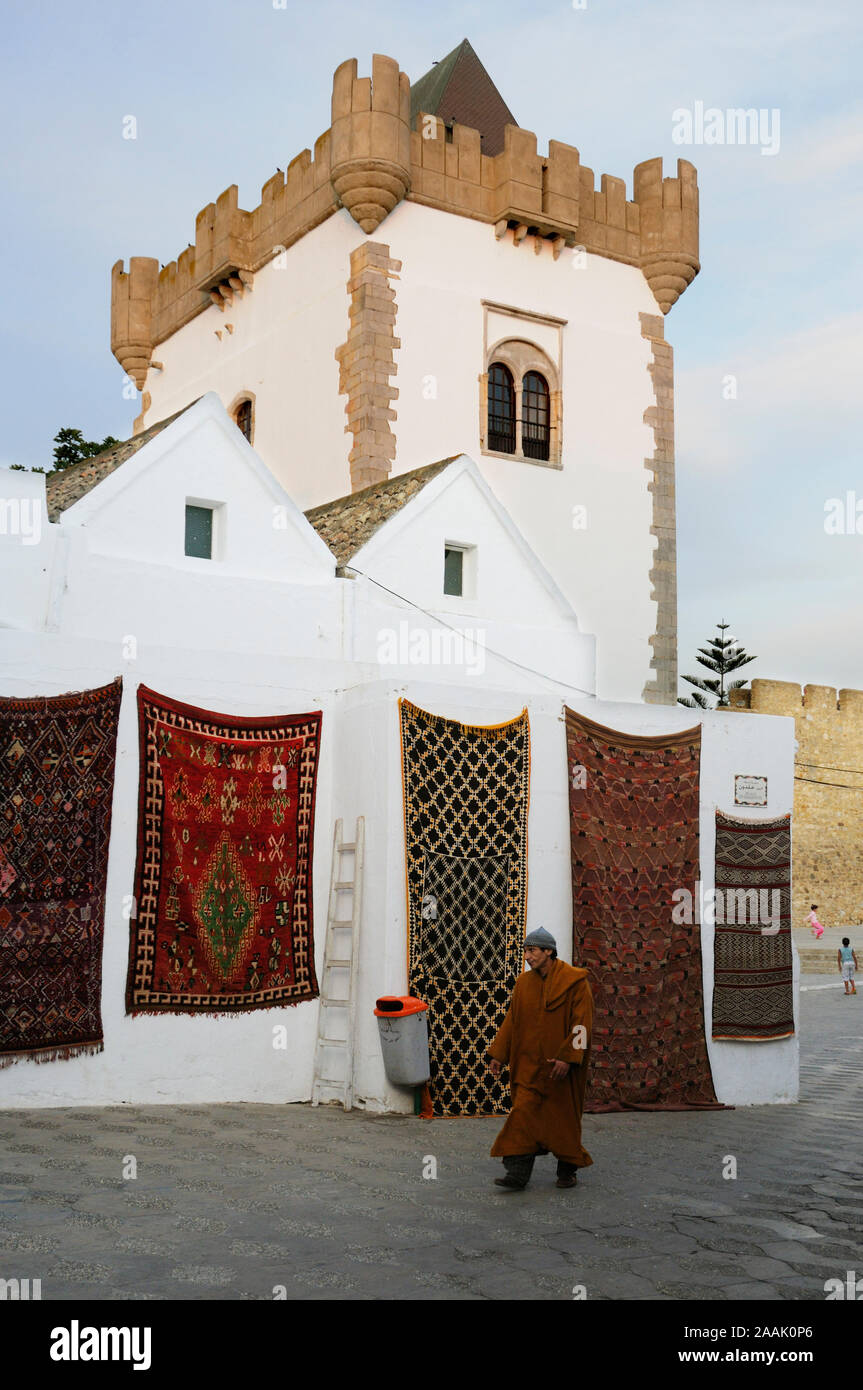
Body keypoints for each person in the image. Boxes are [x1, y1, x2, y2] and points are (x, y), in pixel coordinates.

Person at [488, 926, 593, 1191]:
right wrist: (498, 1054)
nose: (527, 956)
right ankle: (517, 1173)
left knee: (563, 1119)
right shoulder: (524, 983)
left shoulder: (575, 983)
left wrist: (567, 1058)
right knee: (522, 1116)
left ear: (549, 951)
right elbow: (512, 1020)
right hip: (528, 1067)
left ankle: (567, 1170)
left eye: (532, 950)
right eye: (525, 950)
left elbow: (582, 1025)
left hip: (560, 1069)